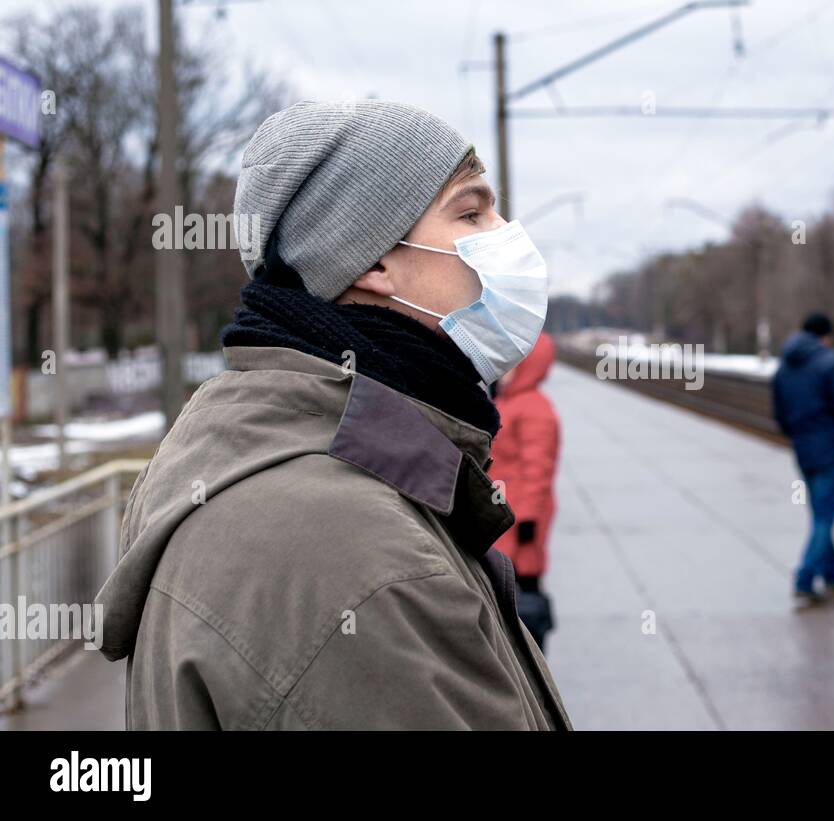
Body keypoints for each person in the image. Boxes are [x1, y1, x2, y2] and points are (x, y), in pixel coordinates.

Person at [93, 101, 570, 730]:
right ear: (371, 260)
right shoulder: (356, 552)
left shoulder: (288, 465)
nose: (506, 233)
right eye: (471, 211)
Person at [771, 312, 834, 609]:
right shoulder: (832, 362)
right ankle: (804, 579)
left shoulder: (785, 365)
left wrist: (796, 435)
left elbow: (780, 414)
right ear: (826, 336)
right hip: (833, 451)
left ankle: (832, 574)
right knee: (825, 518)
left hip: (804, 450)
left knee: (820, 514)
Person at [489, 332, 560, 653]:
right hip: (506, 512)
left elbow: (538, 471)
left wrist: (529, 519)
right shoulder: (507, 401)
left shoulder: (534, 409)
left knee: (524, 586)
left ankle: (532, 652)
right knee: (507, 588)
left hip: (522, 517)